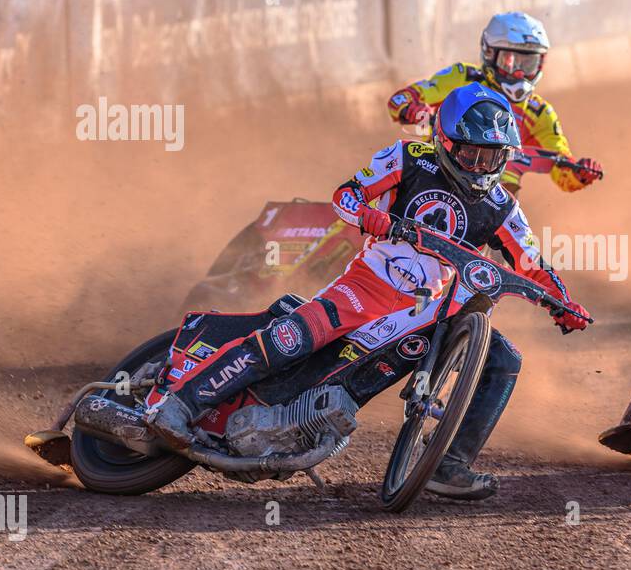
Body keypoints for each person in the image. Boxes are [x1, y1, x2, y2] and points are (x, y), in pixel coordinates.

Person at [148, 84, 591, 500]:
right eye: (471, 154)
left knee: (506, 358)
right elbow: (345, 195)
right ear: (446, 142)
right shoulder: (408, 157)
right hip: (366, 285)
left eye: (492, 157)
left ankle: (449, 464)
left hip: (432, 309)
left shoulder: (503, 206)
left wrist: (563, 302)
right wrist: (371, 217)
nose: (480, 167)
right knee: (292, 339)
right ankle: (182, 403)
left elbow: (532, 262)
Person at [386, 11, 602, 194]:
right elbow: (398, 101)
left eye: (528, 63)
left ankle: (491, 243)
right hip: (430, 173)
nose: (519, 72)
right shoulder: (462, 77)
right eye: (511, 61)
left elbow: (562, 171)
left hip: (489, 200)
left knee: (515, 228)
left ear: (541, 63)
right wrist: (413, 108)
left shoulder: (540, 113)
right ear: (490, 53)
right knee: (372, 211)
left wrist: (579, 173)